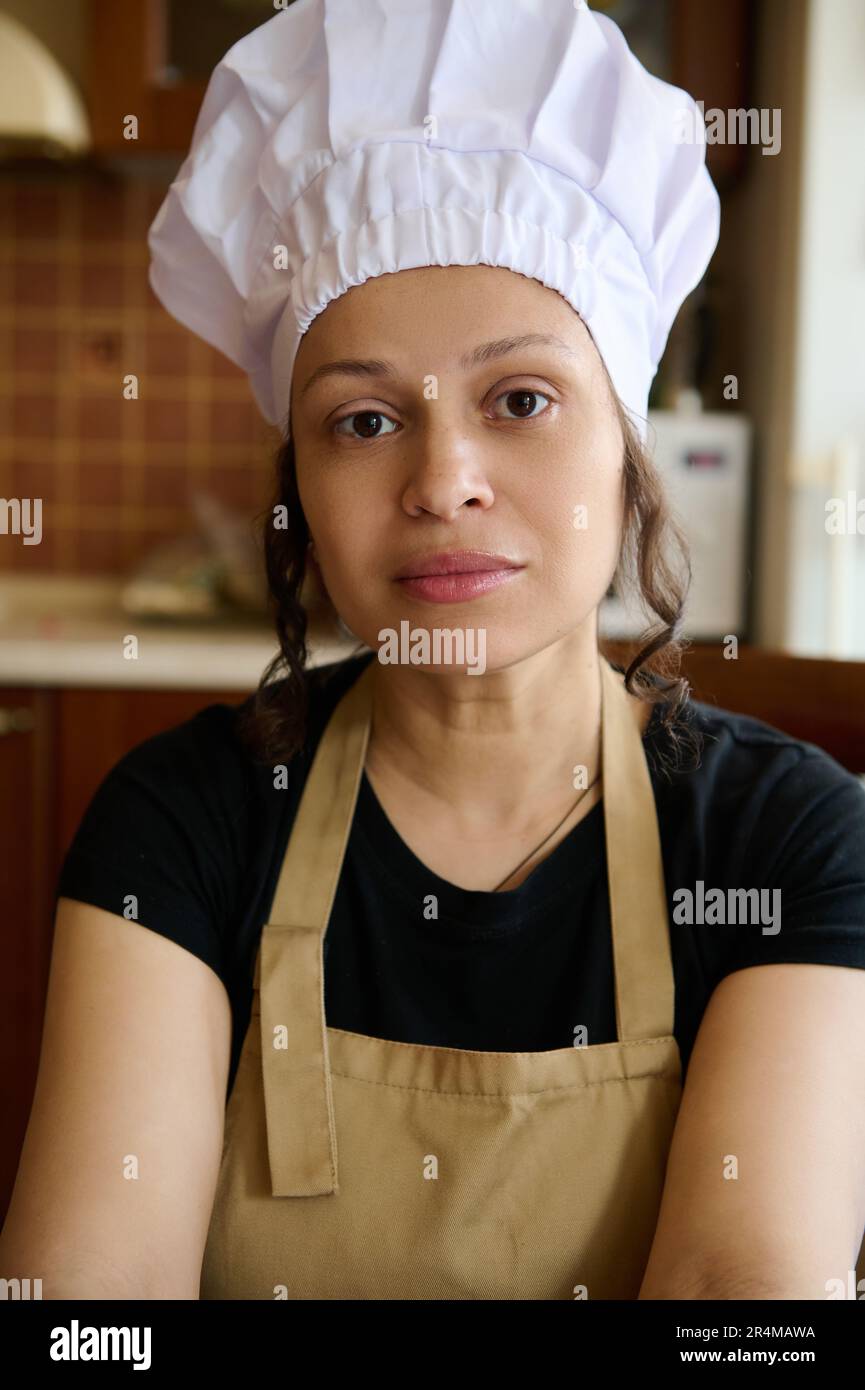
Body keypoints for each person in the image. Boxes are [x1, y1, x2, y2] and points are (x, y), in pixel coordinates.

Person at [2, 0, 865, 1300]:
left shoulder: (788, 841)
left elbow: (740, 1305)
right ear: (299, 482)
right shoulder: (181, 826)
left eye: (519, 399)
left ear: (623, 455)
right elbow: (86, 1314)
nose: (441, 477)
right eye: (361, 419)